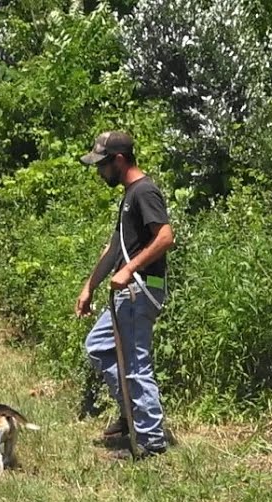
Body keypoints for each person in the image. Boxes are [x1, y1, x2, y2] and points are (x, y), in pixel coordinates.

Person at [73, 131, 175, 460]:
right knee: (99, 347)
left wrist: (129, 270)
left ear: (119, 160)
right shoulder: (130, 195)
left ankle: (150, 441)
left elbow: (164, 237)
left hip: (139, 291)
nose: (99, 172)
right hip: (126, 292)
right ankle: (132, 413)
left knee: (135, 365)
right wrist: (89, 286)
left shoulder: (145, 191)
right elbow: (115, 247)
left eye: (102, 165)